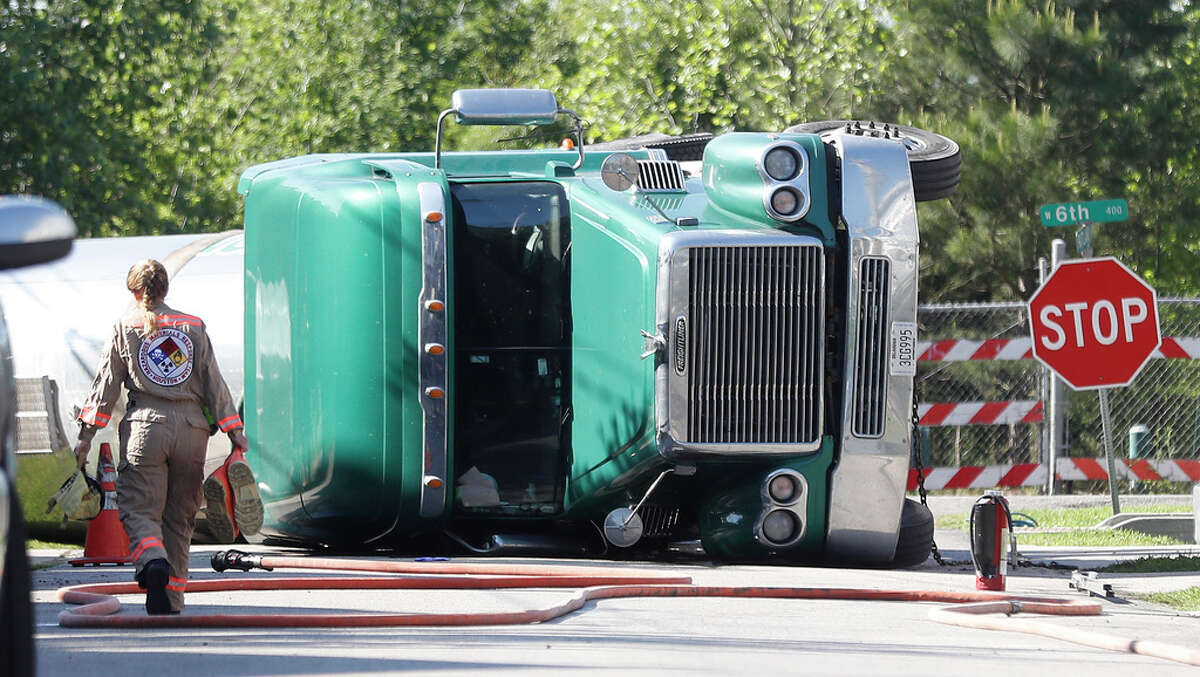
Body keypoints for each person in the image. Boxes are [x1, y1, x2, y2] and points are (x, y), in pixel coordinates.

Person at [72, 259, 252, 614]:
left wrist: (85, 436)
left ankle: (152, 560)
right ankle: (170, 598)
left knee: (140, 510)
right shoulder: (193, 326)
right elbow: (214, 383)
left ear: (134, 291)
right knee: (181, 517)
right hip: (191, 432)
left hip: (146, 429)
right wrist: (236, 432)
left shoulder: (126, 326)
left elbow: (106, 384)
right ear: (166, 289)